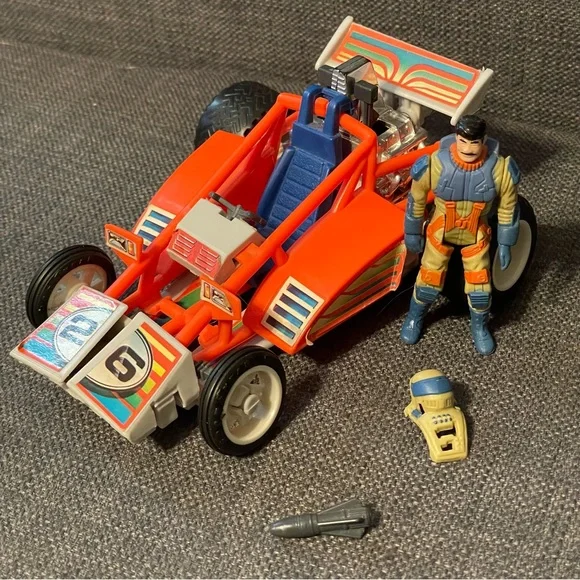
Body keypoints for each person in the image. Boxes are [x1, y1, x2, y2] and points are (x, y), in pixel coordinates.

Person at [400, 115, 521, 355]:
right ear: (456, 138)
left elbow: (509, 208)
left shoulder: (500, 170)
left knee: (480, 289)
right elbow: (416, 199)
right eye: (463, 141)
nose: (467, 148)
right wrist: (412, 231)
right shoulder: (434, 164)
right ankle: (415, 317)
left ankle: (479, 327)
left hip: (476, 234)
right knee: (428, 281)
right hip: (441, 230)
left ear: (483, 141)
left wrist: (506, 242)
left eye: (474, 142)